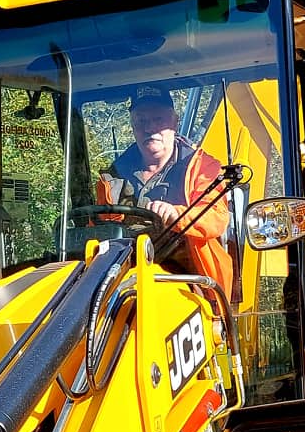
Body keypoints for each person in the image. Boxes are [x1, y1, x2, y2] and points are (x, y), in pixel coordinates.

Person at [96, 89, 232, 292]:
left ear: (174, 122)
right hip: (125, 283)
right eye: (141, 121)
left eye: (158, 119)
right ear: (132, 126)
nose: (150, 127)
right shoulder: (112, 178)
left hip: (193, 283)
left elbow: (216, 218)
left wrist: (176, 214)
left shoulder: (202, 167)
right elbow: (97, 231)